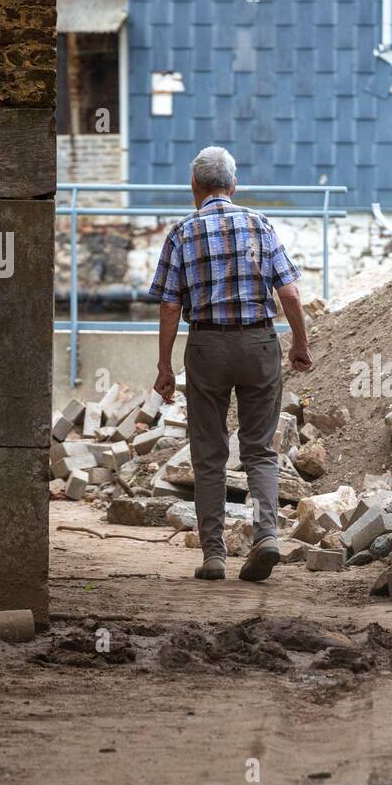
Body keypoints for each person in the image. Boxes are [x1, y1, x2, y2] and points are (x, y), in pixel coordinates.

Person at [148, 146, 314, 581]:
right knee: (259, 450)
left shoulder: (182, 232)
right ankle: (265, 536)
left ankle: (214, 556)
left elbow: (169, 306)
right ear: (233, 185)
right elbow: (291, 294)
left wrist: (164, 368)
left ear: (194, 188)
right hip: (259, 343)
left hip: (207, 349)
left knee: (209, 454)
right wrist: (299, 343)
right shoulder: (259, 224)